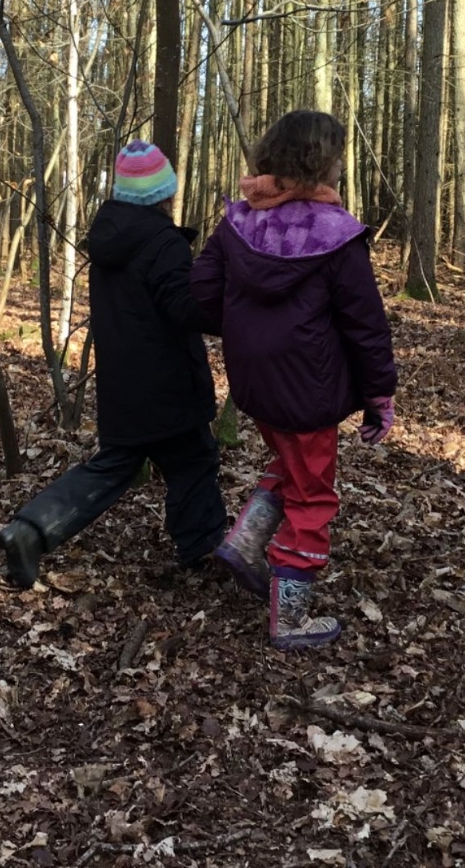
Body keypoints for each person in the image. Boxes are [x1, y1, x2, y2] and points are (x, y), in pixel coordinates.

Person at [190, 110, 397, 649]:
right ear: (324, 163)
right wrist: (380, 395)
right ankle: (290, 617)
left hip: (255, 381)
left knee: (291, 467)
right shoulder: (337, 235)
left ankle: (245, 540)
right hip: (309, 388)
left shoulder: (238, 221)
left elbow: (203, 293)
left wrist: (244, 327)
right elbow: (365, 323)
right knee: (313, 496)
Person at [0, 140, 226, 588]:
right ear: (164, 193)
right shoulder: (163, 242)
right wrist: (232, 306)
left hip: (122, 385)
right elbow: (184, 308)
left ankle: (30, 530)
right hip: (169, 384)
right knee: (194, 460)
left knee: (114, 467)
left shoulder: (110, 241)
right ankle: (202, 548)